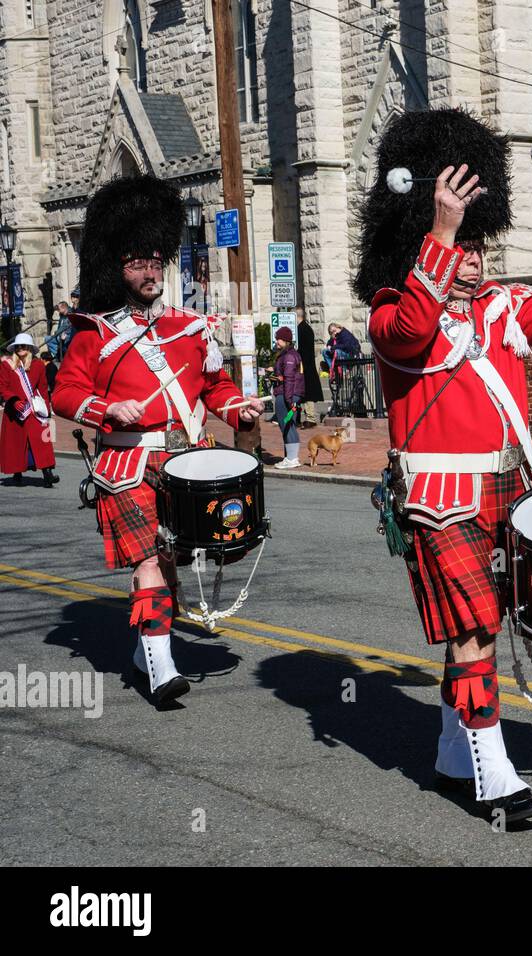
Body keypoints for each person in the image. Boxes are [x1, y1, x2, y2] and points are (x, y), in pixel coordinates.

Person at [355, 107, 532, 827]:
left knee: (487, 627)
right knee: (477, 627)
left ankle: (452, 754)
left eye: (476, 244)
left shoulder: (500, 309)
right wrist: (439, 230)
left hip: (509, 485)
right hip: (439, 495)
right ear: (424, 240)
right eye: (463, 245)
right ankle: (495, 776)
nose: (472, 257)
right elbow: (411, 333)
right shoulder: (390, 309)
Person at [52, 174, 263, 706]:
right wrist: (105, 408)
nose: (149, 272)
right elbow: (64, 394)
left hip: (184, 461)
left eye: (154, 260)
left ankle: (148, 649)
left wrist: (239, 406)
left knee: (168, 562)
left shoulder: (190, 328)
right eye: (136, 262)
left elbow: (215, 386)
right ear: (114, 267)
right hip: (126, 461)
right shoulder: (93, 333)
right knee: (149, 560)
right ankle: (162, 668)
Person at [1, 332, 58, 487]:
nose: (20, 348)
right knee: (16, 443)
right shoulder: (7, 365)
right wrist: (13, 400)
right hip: (15, 410)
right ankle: (17, 472)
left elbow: (43, 388)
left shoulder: (38, 365)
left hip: (34, 409)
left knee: (43, 440)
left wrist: (46, 407)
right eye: (18, 346)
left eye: (24, 346)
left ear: (30, 348)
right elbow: (3, 387)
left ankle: (48, 474)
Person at [267, 326, 306, 469]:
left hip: (286, 395)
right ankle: (291, 457)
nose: (276, 341)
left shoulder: (289, 356)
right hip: (290, 394)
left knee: (287, 425)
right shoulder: (289, 355)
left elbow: (289, 378)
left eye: (279, 339)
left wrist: (289, 400)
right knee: (289, 425)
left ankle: (292, 458)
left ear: (286, 340)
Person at [296, 311, 323, 426]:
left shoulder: (303, 329)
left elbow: (303, 350)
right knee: (304, 393)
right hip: (305, 365)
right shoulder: (304, 328)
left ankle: (310, 418)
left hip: (305, 366)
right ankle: (303, 417)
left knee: (307, 393)